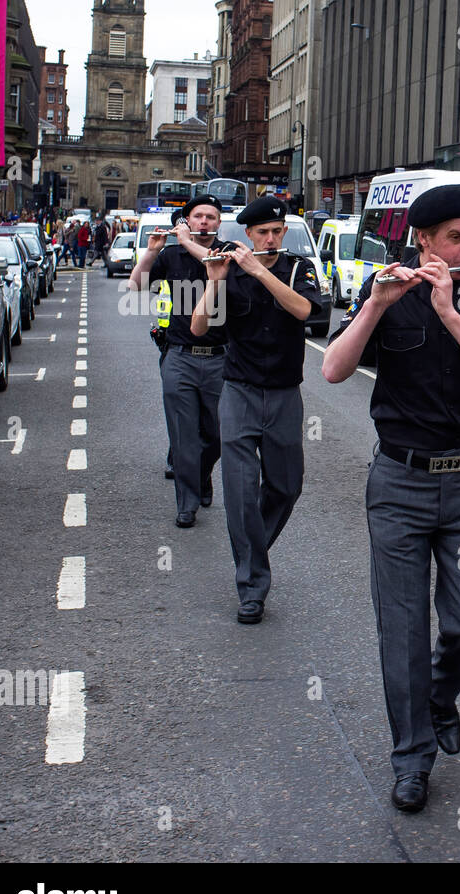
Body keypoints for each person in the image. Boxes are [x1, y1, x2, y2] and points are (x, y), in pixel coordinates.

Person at [323, 184, 460, 813]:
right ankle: (411, 758)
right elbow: (333, 369)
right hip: (400, 486)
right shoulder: (385, 289)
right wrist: (378, 307)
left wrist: (451, 311)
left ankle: (438, 697)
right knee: (402, 630)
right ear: (425, 239)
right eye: (456, 237)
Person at [190, 196, 327, 624]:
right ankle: (251, 585)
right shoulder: (227, 271)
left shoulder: (299, 269)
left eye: (276, 231)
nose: (270, 238)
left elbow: (305, 310)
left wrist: (259, 272)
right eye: (262, 233)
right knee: (240, 489)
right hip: (239, 392)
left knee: (287, 486)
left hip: (285, 393)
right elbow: (198, 326)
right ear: (247, 235)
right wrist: (215, 280)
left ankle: (252, 548)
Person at [130, 194, 227, 527]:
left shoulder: (226, 253)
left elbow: (214, 264)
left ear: (218, 223)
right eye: (197, 216)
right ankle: (186, 503)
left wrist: (187, 241)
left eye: (210, 217)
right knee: (184, 434)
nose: (204, 222)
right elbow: (136, 286)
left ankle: (202, 475)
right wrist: (152, 252)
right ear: (187, 221)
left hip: (220, 359)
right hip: (180, 356)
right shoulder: (171, 255)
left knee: (217, 434)